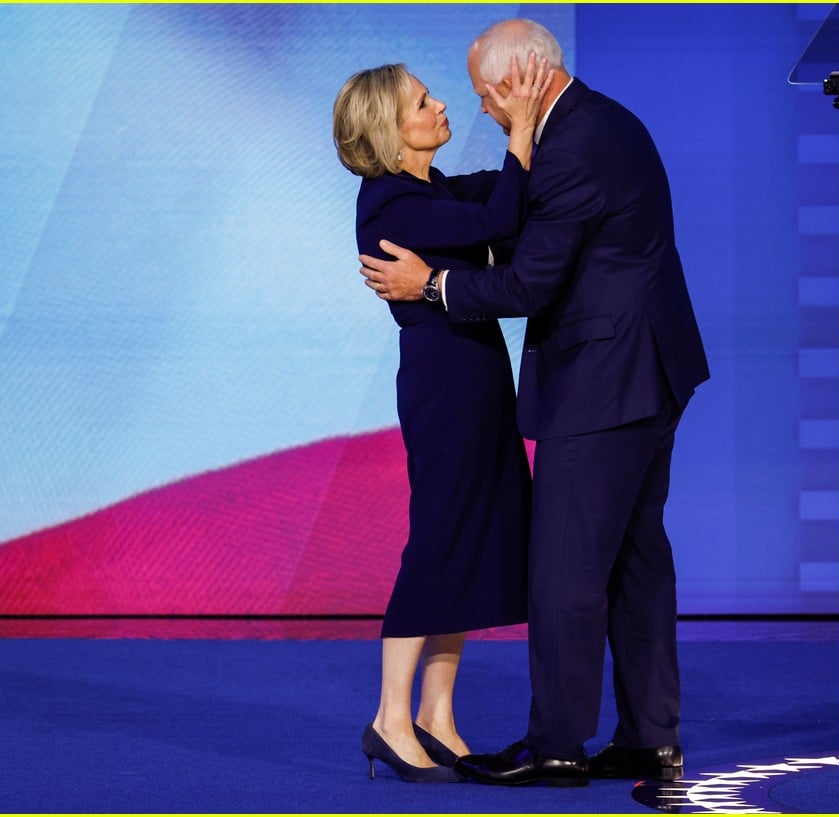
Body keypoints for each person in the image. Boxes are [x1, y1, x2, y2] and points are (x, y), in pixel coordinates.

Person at [359, 19, 709, 787]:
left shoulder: (573, 146)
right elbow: (508, 224)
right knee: (634, 561)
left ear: (520, 81)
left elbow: (528, 283)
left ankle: (556, 743)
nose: (479, 109)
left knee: (564, 567)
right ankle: (650, 737)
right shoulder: (598, 123)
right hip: (643, 372)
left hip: (605, 381)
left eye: (487, 94)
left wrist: (434, 285)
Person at [332, 55, 552, 783]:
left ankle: (437, 714)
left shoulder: (427, 188)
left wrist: (533, 144)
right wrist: (519, 132)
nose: (441, 107)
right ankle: (390, 719)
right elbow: (499, 215)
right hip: (444, 386)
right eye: (423, 102)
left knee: (472, 540)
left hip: (478, 374)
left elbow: (488, 198)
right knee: (438, 541)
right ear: (391, 132)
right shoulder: (390, 202)